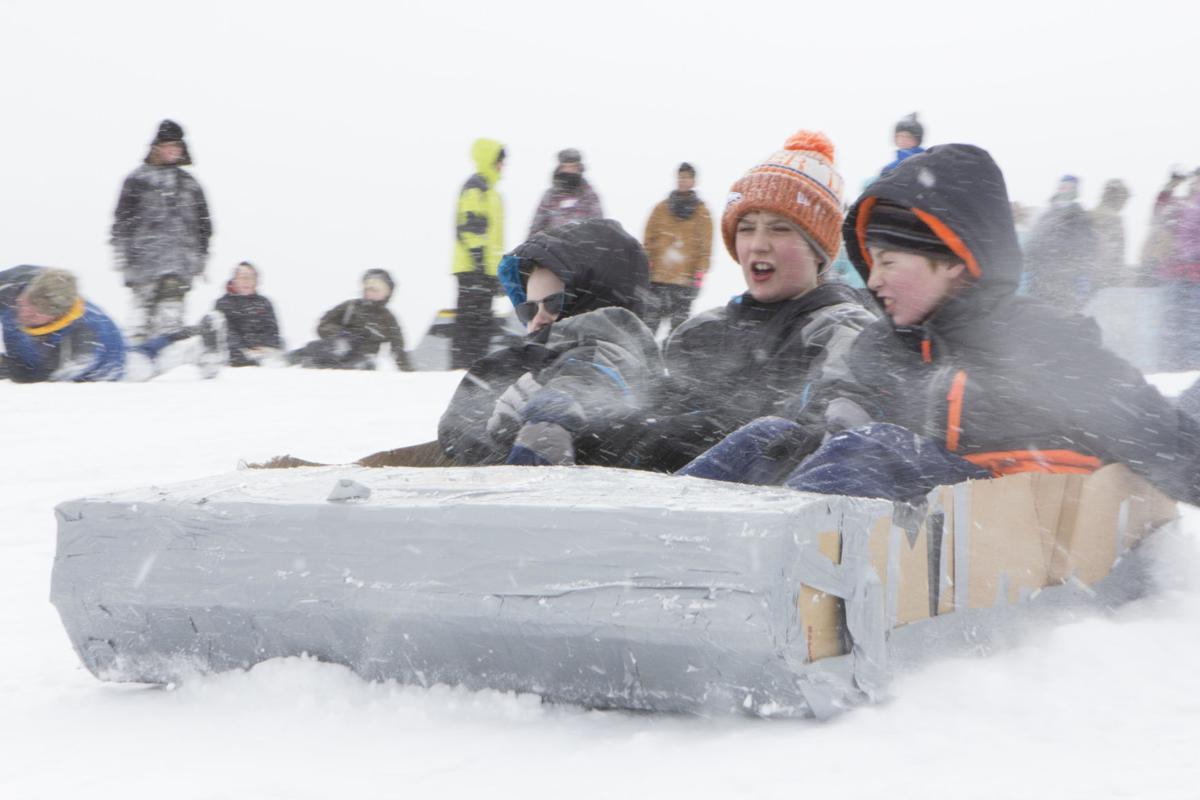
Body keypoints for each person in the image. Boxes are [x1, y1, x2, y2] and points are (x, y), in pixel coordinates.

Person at [680, 144, 1200, 507]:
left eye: (890, 263)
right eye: (871, 262)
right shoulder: (880, 345)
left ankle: (771, 581)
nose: (874, 280)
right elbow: (835, 412)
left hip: (1009, 518)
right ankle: (652, 535)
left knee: (871, 450)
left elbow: (1159, 434)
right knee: (772, 435)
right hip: (912, 512)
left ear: (953, 260)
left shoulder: (1040, 339)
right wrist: (831, 419)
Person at [629, 131, 876, 474]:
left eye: (779, 229)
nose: (758, 245)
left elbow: (815, 430)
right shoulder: (702, 332)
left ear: (817, 249)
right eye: (746, 228)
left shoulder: (840, 330)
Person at [437, 218, 660, 467]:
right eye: (528, 310)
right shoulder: (542, 357)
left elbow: (591, 376)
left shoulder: (607, 347)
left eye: (554, 304)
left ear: (592, 300)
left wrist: (552, 412)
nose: (539, 319)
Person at [0, 266, 226, 382]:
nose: (24, 310)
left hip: (112, 359)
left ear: (56, 318)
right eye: (26, 302)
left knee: (144, 362)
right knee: (140, 349)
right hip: (95, 330)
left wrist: (7, 367)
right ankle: (191, 333)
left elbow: (39, 381)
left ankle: (197, 347)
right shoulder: (18, 286)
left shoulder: (82, 346)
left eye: (35, 312)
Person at [111, 120, 213, 342]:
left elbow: (204, 224)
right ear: (157, 147)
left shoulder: (190, 184)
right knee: (139, 319)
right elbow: (122, 220)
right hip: (144, 262)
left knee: (171, 320)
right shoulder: (137, 180)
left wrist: (201, 255)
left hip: (179, 263)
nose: (173, 150)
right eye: (168, 145)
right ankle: (136, 354)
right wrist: (122, 253)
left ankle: (168, 355)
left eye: (177, 146)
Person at [286, 269, 413, 371]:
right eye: (368, 287)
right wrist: (341, 335)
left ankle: (332, 367)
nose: (371, 292)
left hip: (362, 358)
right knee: (323, 347)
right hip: (338, 349)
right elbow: (323, 325)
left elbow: (398, 348)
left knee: (366, 365)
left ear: (387, 293)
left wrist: (407, 370)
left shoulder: (388, 319)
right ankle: (287, 360)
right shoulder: (350, 307)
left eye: (377, 289)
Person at [451, 138, 506, 369]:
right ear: (490, 160)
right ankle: (461, 368)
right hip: (473, 269)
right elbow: (469, 226)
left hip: (486, 270)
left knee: (483, 323)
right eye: (500, 161)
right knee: (470, 322)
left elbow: (494, 239)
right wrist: (479, 262)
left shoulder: (492, 193)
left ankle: (475, 368)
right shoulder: (476, 187)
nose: (503, 166)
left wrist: (497, 272)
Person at [640, 162, 713, 337]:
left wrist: (698, 278)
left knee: (678, 334)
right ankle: (646, 362)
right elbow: (648, 240)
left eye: (687, 177)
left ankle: (672, 364)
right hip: (658, 279)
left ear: (694, 181)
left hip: (685, 282)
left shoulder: (702, 213)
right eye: (681, 177)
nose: (683, 181)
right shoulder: (661, 209)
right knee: (648, 328)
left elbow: (705, 248)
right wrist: (646, 266)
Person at [1023, 175, 1099, 311]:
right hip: (1040, 280)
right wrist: (1030, 267)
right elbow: (1033, 244)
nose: (1065, 190)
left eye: (1070, 187)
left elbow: (1087, 247)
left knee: (1060, 315)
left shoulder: (1081, 217)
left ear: (1076, 192)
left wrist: (1080, 274)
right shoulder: (1046, 215)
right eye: (1063, 187)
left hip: (1066, 281)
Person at [1158, 170, 1200, 370]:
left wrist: (1190, 252)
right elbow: (1160, 210)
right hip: (1176, 273)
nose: (1196, 183)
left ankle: (1192, 367)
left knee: (1194, 325)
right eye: (1194, 180)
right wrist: (1170, 186)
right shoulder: (1183, 204)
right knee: (1172, 324)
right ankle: (1173, 366)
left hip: (1195, 275)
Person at [213, 262, 283, 367]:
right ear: (234, 281)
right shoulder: (224, 303)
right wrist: (244, 350)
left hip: (263, 354)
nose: (247, 281)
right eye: (243, 278)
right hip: (235, 356)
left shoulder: (264, 303)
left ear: (256, 281)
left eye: (251, 278)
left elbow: (273, 330)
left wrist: (264, 347)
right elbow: (227, 332)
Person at [528, 149, 604, 237]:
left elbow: (599, 228)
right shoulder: (550, 196)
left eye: (573, 167)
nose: (569, 171)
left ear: (579, 168)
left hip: (581, 248)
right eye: (566, 167)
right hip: (553, 248)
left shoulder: (589, 196)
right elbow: (536, 229)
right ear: (560, 168)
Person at [1088, 179, 1131, 293]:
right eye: (1125, 200)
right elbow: (1114, 252)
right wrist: (1117, 278)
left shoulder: (1088, 215)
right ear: (1119, 199)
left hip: (1084, 273)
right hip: (1103, 277)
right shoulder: (1114, 220)